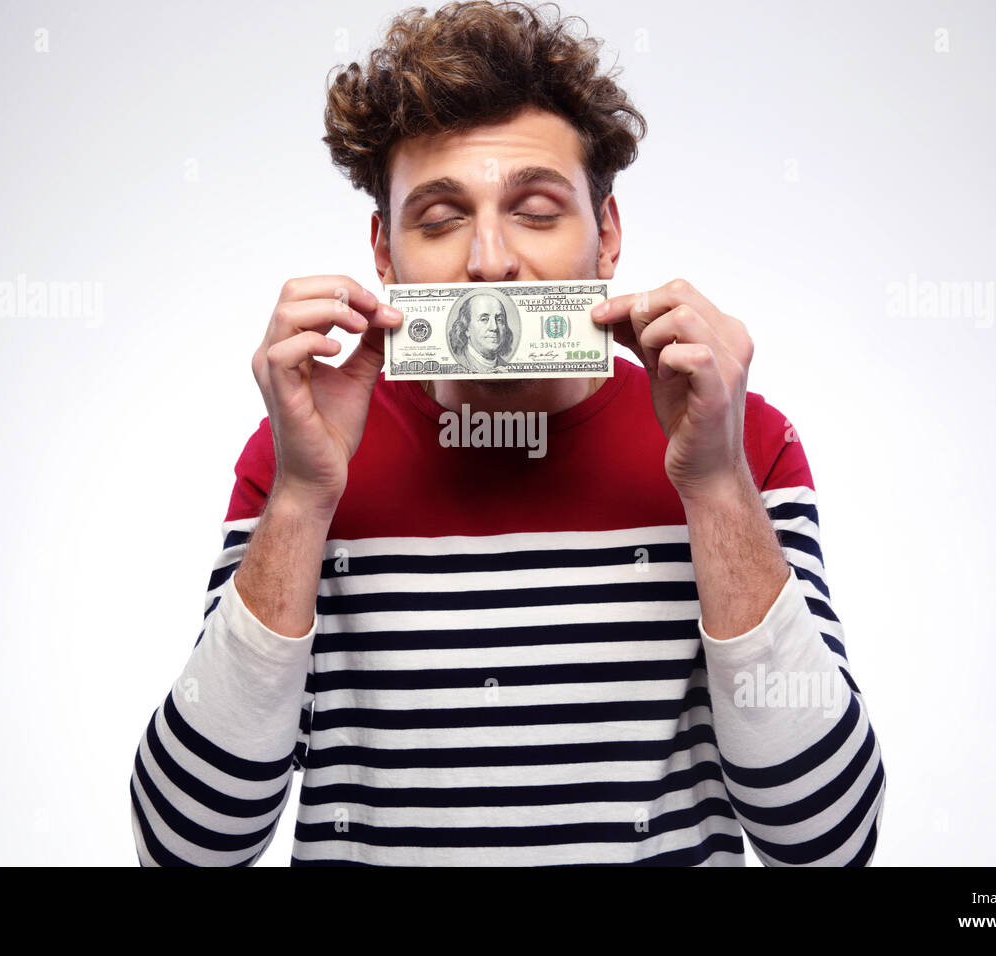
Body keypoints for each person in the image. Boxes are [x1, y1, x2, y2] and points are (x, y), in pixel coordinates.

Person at [129, 0, 886, 866]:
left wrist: (716, 487)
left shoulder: (741, 444)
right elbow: (187, 847)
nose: (489, 261)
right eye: (441, 218)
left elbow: (825, 837)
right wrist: (303, 502)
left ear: (606, 237)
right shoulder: (298, 460)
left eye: (534, 208)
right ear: (385, 253)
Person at [448, 291, 515, 372]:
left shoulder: (508, 368)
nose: (494, 327)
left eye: (499, 319)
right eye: (484, 319)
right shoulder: (460, 363)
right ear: (466, 328)